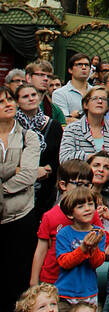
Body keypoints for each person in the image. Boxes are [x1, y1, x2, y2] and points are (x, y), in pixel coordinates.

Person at [0, 83, 40, 312]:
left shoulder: (28, 136)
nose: (9, 104)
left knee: (17, 272)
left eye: (10, 100)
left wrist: (2, 188)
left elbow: (27, 174)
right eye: (2, 101)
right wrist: (8, 170)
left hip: (20, 214)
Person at [54, 184, 106, 306]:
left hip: (89, 292)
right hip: (66, 292)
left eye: (90, 204)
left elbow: (97, 263)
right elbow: (64, 262)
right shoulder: (63, 233)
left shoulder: (99, 232)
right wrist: (83, 248)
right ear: (70, 214)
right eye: (81, 206)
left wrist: (93, 248)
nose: (87, 208)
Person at [16, 80, 63, 214]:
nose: (31, 99)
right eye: (25, 96)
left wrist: (49, 168)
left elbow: (58, 155)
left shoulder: (53, 125)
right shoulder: (12, 125)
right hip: (18, 185)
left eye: (33, 95)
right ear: (17, 102)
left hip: (45, 186)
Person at [58, 84, 109, 166]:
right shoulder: (72, 129)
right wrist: (91, 157)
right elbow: (64, 159)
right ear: (86, 104)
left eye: (103, 99)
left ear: (108, 106)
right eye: (95, 98)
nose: (99, 101)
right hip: (81, 177)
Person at [52, 52, 93, 123]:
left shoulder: (95, 91)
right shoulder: (59, 93)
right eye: (79, 64)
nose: (84, 67)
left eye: (86, 65)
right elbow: (63, 121)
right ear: (70, 70)